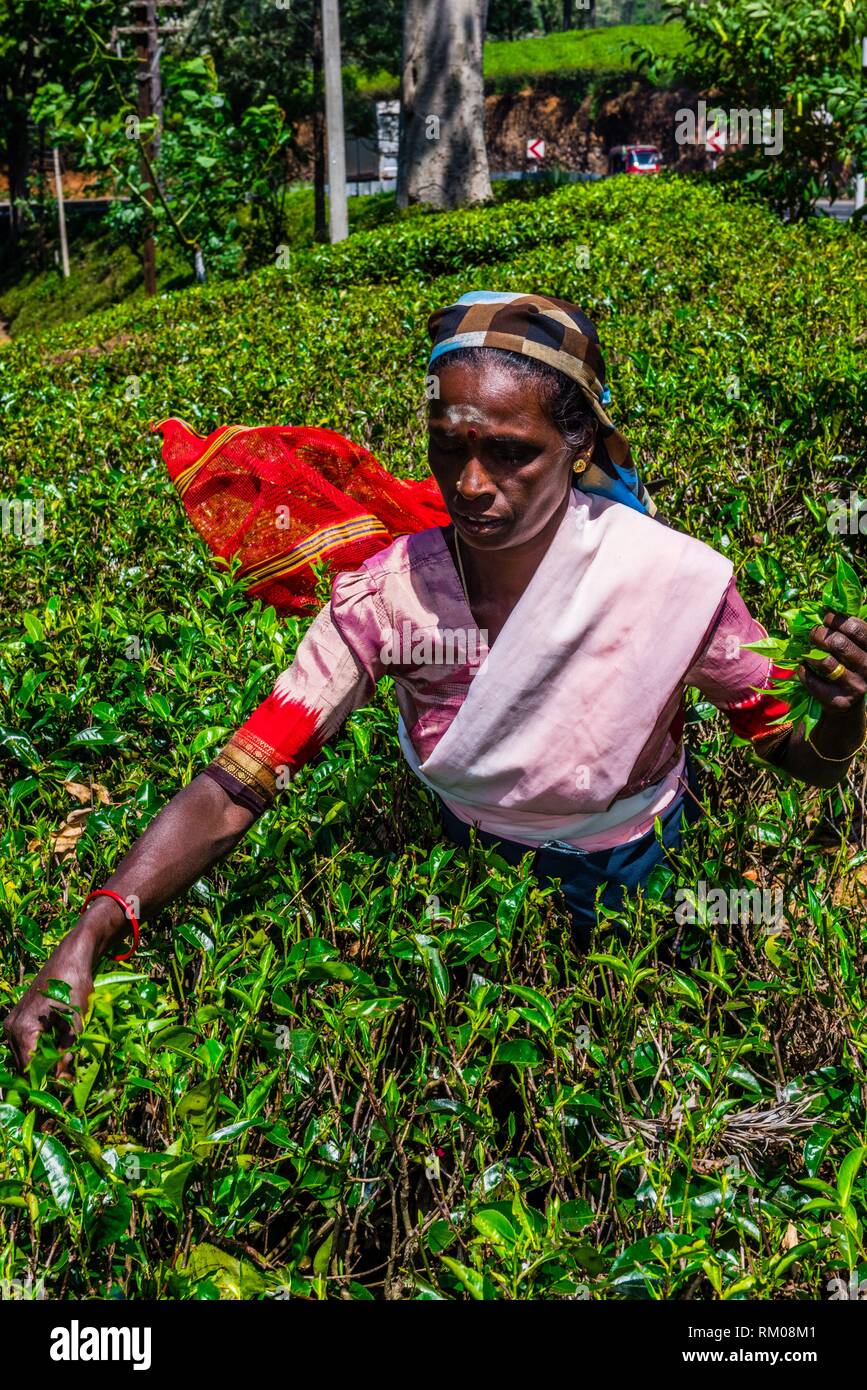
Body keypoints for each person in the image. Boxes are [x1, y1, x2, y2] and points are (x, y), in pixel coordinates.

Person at [5, 290, 866, 1075]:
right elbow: (240, 779)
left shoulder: (667, 582)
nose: (471, 485)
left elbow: (803, 759)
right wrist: (95, 927)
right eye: (447, 449)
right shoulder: (391, 595)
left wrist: (841, 718)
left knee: (637, 1070)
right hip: (467, 872)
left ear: (575, 444)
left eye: (510, 454)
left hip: (635, 868)